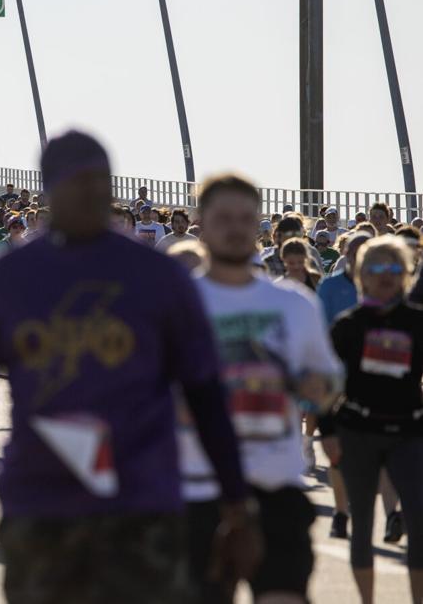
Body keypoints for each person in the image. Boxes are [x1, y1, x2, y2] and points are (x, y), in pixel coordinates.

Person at [0, 131, 259, 604]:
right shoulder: (6, 279)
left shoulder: (159, 276)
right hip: (41, 501)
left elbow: (206, 392)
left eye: (102, 180)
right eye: (78, 180)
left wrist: (236, 500)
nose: (93, 192)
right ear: (48, 189)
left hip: (141, 503)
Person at [184, 173, 343, 604]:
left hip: (276, 487)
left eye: (245, 217)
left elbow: (330, 384)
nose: (235, 227)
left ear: (259, 223)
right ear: (202, 221)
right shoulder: (178, 303)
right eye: (223, 217)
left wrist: (318, 387)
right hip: (197, 490)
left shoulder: (293, 303)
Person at [320, 235, 423, 604]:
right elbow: (323, 384)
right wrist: (327, 430)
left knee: (419, 524)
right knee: (361, 524)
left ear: (406, 274)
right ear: (362, 274)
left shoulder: (416, 322)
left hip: (409, 432)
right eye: (376, 268)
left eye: (394, 268)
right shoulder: (349, 324)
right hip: (358, 431)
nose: (385, 276)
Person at [316, 231, 371, 539]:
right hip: (339, 380)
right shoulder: (331, 286)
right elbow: (321, 332)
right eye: (355, 249)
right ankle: (341, 511)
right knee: (340, 451)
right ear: (345, 252)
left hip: (377, 382)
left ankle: (390, 514)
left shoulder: (388, 287)